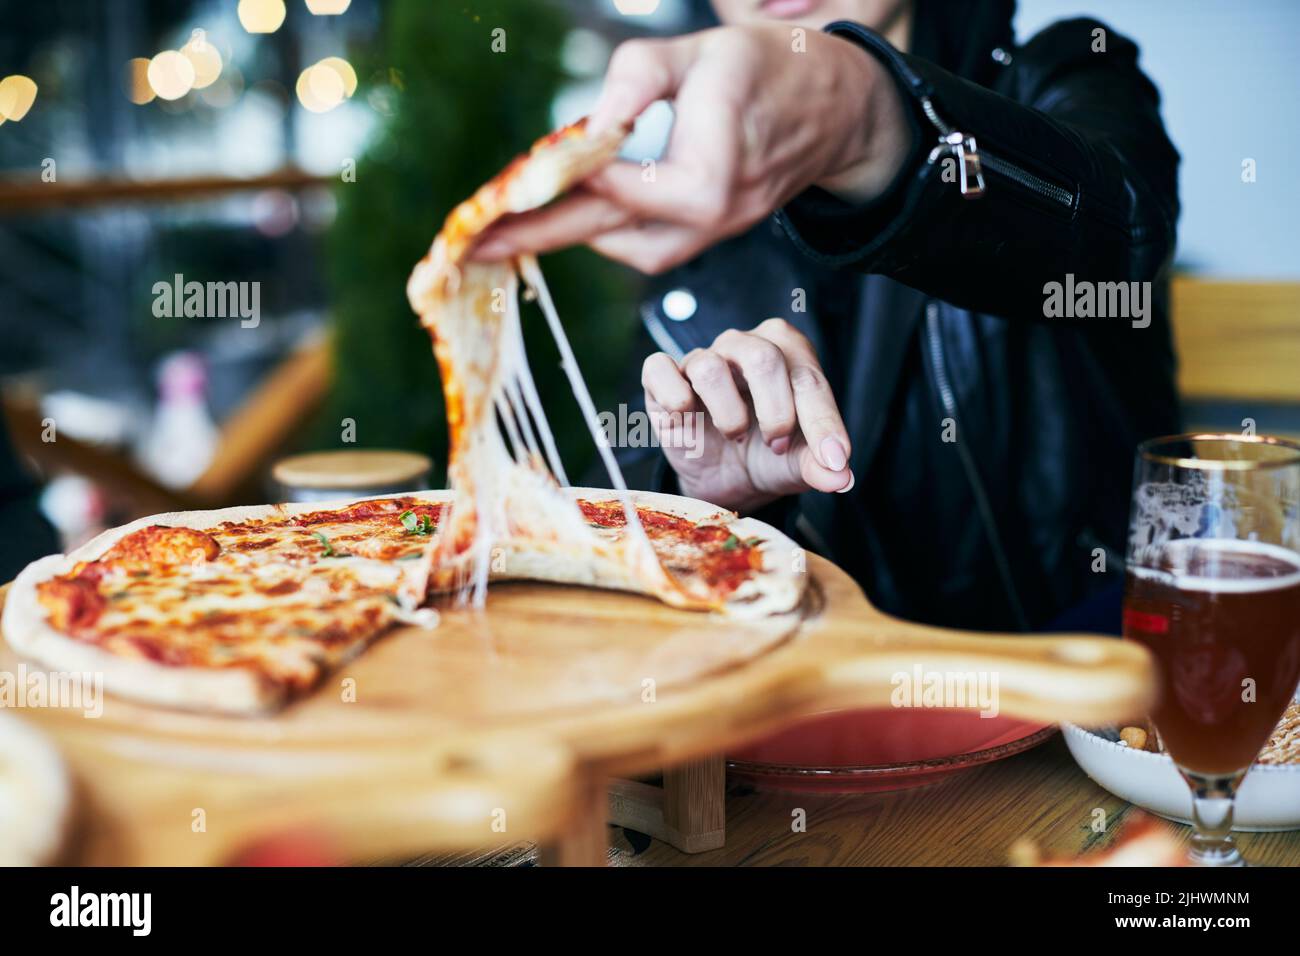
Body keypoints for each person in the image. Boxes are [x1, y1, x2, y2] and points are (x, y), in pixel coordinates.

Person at [477, 0, 1181, 633]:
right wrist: (717, 504)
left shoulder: (1069, 67)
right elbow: (632, 541)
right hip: (819, 726)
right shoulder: (688, 205)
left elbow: (1125, 234)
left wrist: (862, 114)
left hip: (1084, 712)